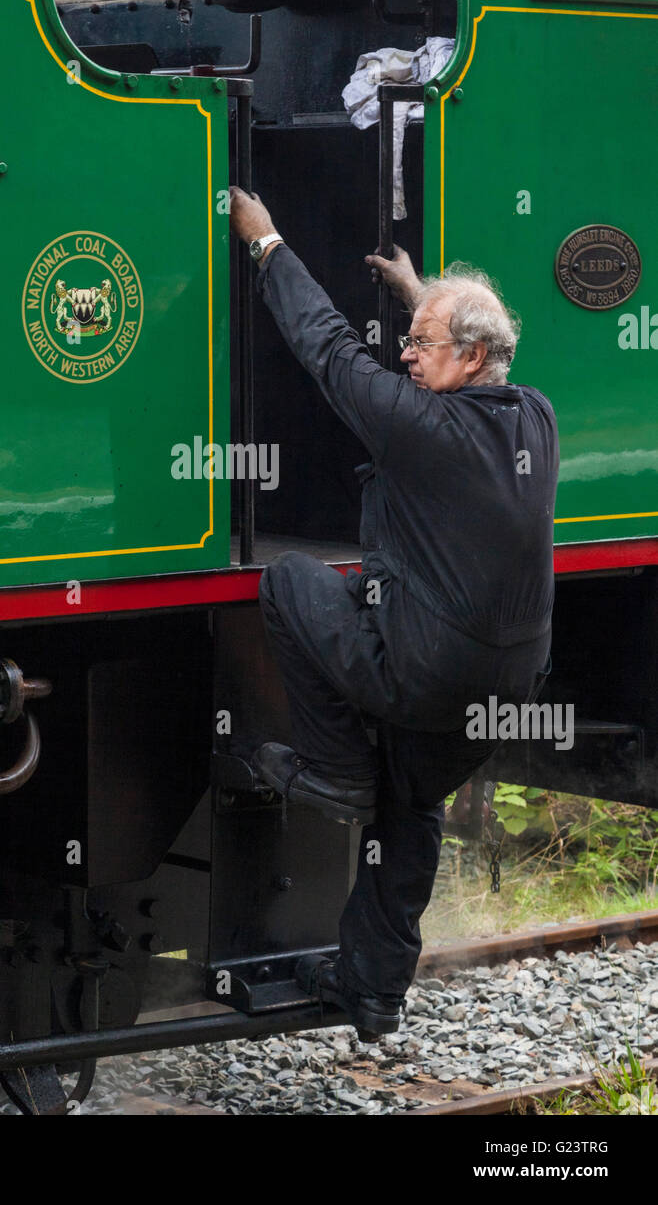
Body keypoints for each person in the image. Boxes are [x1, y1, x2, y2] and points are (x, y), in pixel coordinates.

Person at [229, 186, 559, 1041]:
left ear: (474, 357)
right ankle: (373, 992)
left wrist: (268, 245)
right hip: (505, 688)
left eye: (420, 345)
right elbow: (464, 344)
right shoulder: (538, 419)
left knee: (295, 582)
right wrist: (421, 297)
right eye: (409, 343)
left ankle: (334, 765)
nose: (406, 356)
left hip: (424, 671)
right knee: (409, 803)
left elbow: (328, 350)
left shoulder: (421, 429)